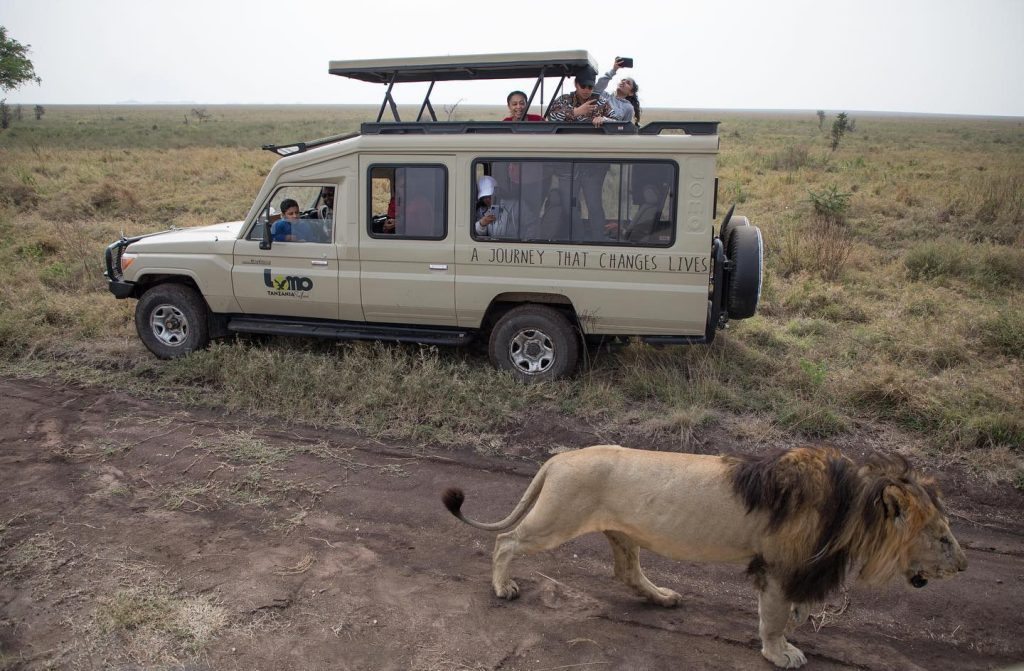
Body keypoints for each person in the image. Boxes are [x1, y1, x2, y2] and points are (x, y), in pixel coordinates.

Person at [546, 67, 612, 126]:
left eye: (590, 87)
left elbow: (616, 121)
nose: (586, 90)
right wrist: (576, 112)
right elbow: (550, 118)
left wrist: (604, 119)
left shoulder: (601, 102)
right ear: (576, 84)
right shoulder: (564, 100)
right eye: (583, 86)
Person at [594, 59, 642, 125]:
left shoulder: (628, 107)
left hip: (610, 134)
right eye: (623, 80)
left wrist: (604, 119)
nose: (623, 82)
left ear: (631, 93)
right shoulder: (604, 95)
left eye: (628, 83)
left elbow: (623, 127)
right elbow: (597, 87)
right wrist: (614, 70)